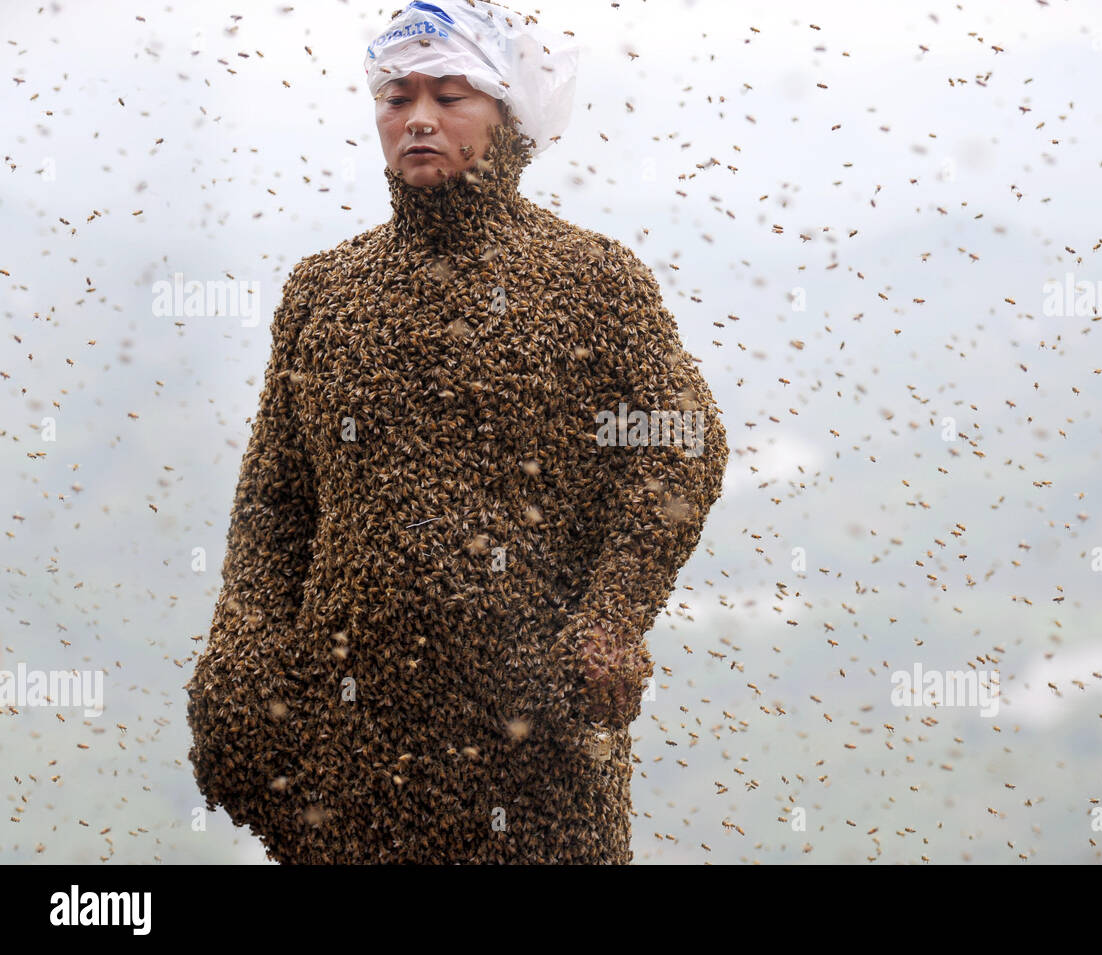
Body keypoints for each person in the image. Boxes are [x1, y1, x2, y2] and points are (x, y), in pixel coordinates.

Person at [185, 0, 728, 863]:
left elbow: (682, 444)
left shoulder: (591, 281)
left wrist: (611, 619)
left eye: (451, 94)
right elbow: (277, 499)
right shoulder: (322, 291)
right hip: (345, 744)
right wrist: (242, 648)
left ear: (508, 117)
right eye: (398, 96)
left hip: (535, 742)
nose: (420, 118)